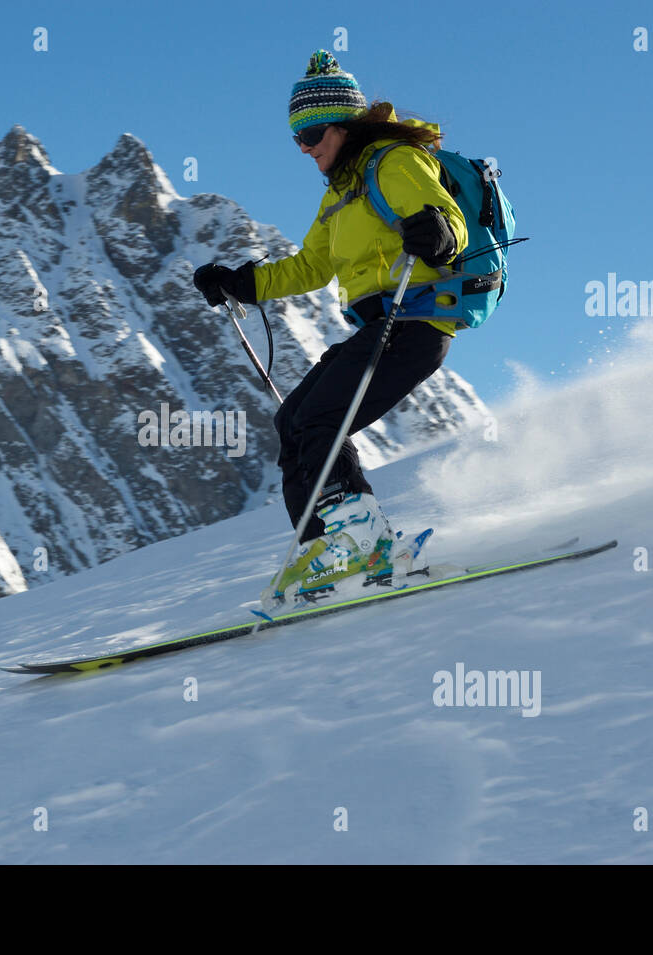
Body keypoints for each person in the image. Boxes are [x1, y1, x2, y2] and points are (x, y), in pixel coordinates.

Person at [193, 49, 468, 602]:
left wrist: (439, 234)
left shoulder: (394, 162)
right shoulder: (339, 194)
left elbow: (450, 221)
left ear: (344, 126)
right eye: (298, 138)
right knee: (294, 421)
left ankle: (361, 546)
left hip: (416, 321)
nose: (306, 147)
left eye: (315, 132)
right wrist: (239, 285)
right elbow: (313, 266)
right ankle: (325, 552)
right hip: (381, 328)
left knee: (321, 418)